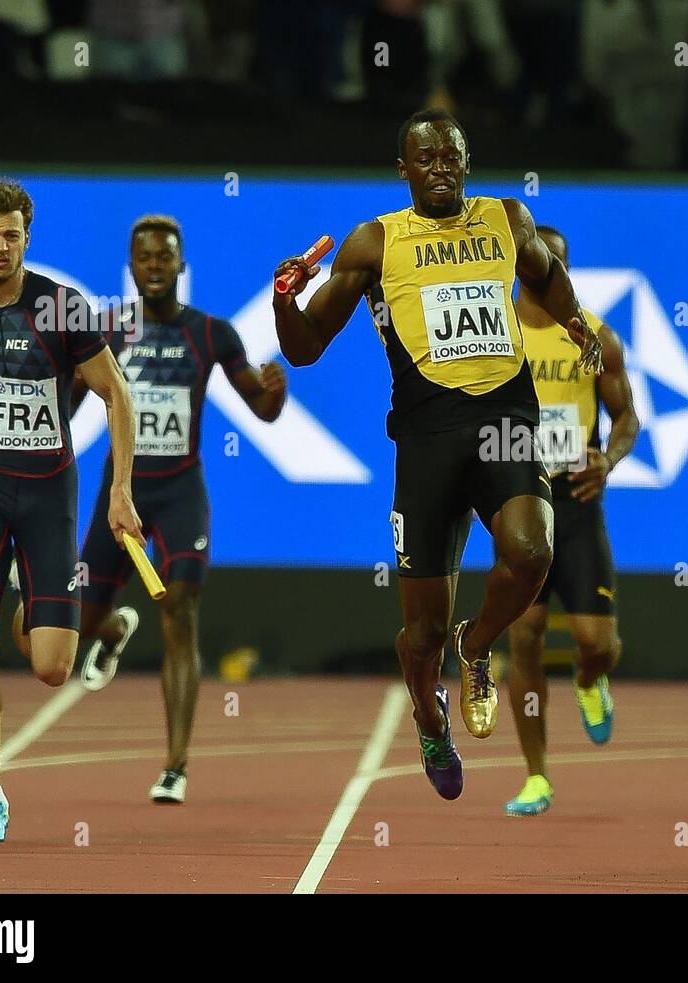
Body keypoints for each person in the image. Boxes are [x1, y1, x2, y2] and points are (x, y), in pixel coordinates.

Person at [272, 109, 602, 801]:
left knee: (532, 550)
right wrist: (284, 299)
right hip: (425, 438)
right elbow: (304, 346)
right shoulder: (375, 241)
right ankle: (429, 717)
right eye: (425, 159)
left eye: (450, 156)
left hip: (504, 416)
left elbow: (548, 275)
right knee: (419, 634)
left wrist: (574, 322)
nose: (440, 168)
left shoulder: (506, 218)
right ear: (404, 170)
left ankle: (477, 644)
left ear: (466, 160)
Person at [8, 214, 287, 804]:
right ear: (131, 268)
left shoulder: (213, 335)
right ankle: (109, 628)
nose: (155, 266)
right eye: (145, 257)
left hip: (181, 494)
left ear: (181, 265)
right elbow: (63, 408)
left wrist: (274, 393)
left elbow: (261, 410)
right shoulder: (108, 331)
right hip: (121, 496)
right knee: (45, 633)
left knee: (180, 609)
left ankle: (175, 765)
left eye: (165, 256)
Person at [0, 178, 141, 842]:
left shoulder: (62, 308)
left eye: (12, 234)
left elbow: (116, 394)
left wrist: (120, 489)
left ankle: (31, 605)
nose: (1, 245)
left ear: (26, 237)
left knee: (49, 666)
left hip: (47, 494)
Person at [502, 225, 637, 817]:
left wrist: (607, 457)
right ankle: (536, 775)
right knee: (524, 636)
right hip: (516, 505)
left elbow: (627, 415)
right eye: (537, 263)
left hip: (576, 504)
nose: (546, 274)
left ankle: (589, 680)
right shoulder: (493, 334)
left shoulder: (594, 337)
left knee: (596, 642)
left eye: (557, 266)